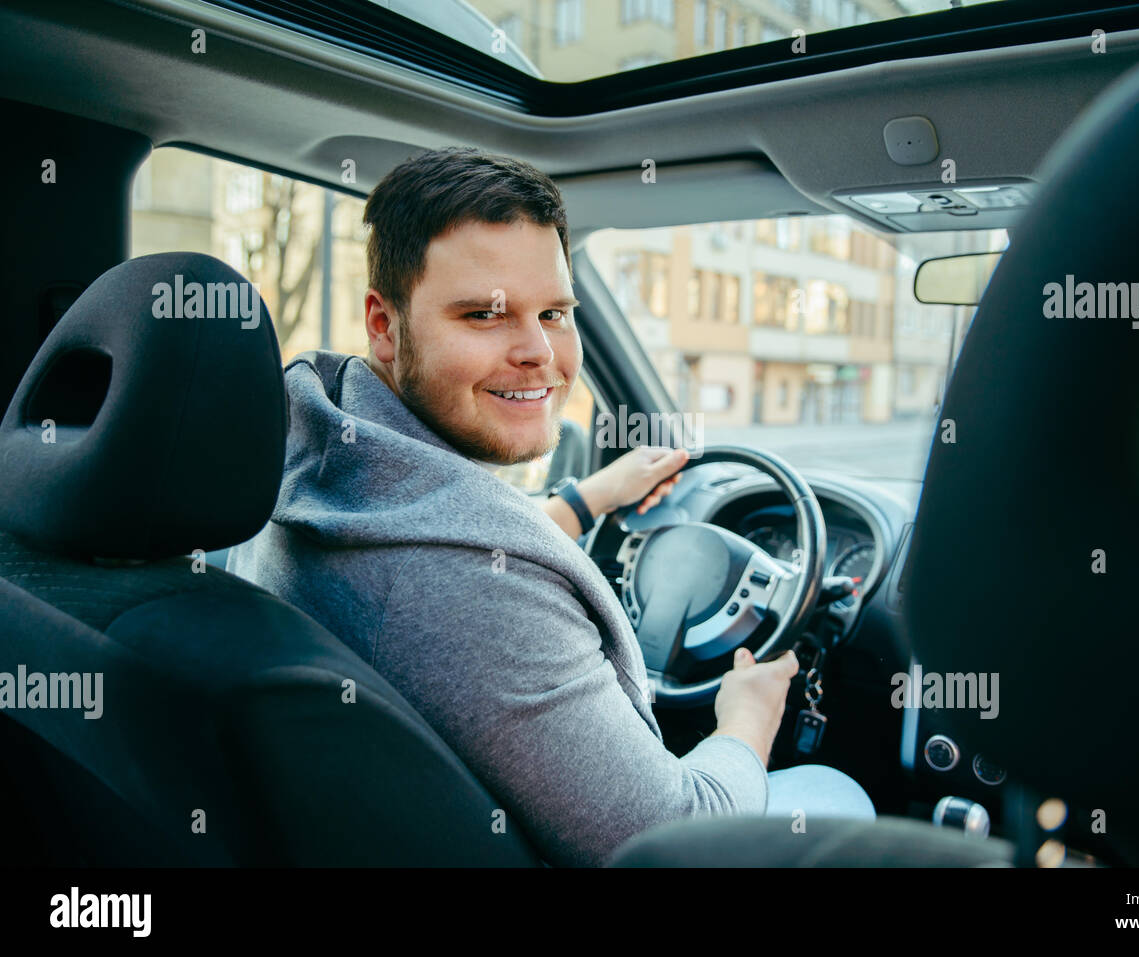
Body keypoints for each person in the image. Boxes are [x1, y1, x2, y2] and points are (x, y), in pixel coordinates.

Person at [227, 147, 874, 866]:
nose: (540, 351)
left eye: (556, 313)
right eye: (483, 314)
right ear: (384, 324)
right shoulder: (471, 594)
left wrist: (588, 498)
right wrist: (746, 717)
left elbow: (457, 535)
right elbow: (675, 842)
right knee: (837, 791)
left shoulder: (330, 464)